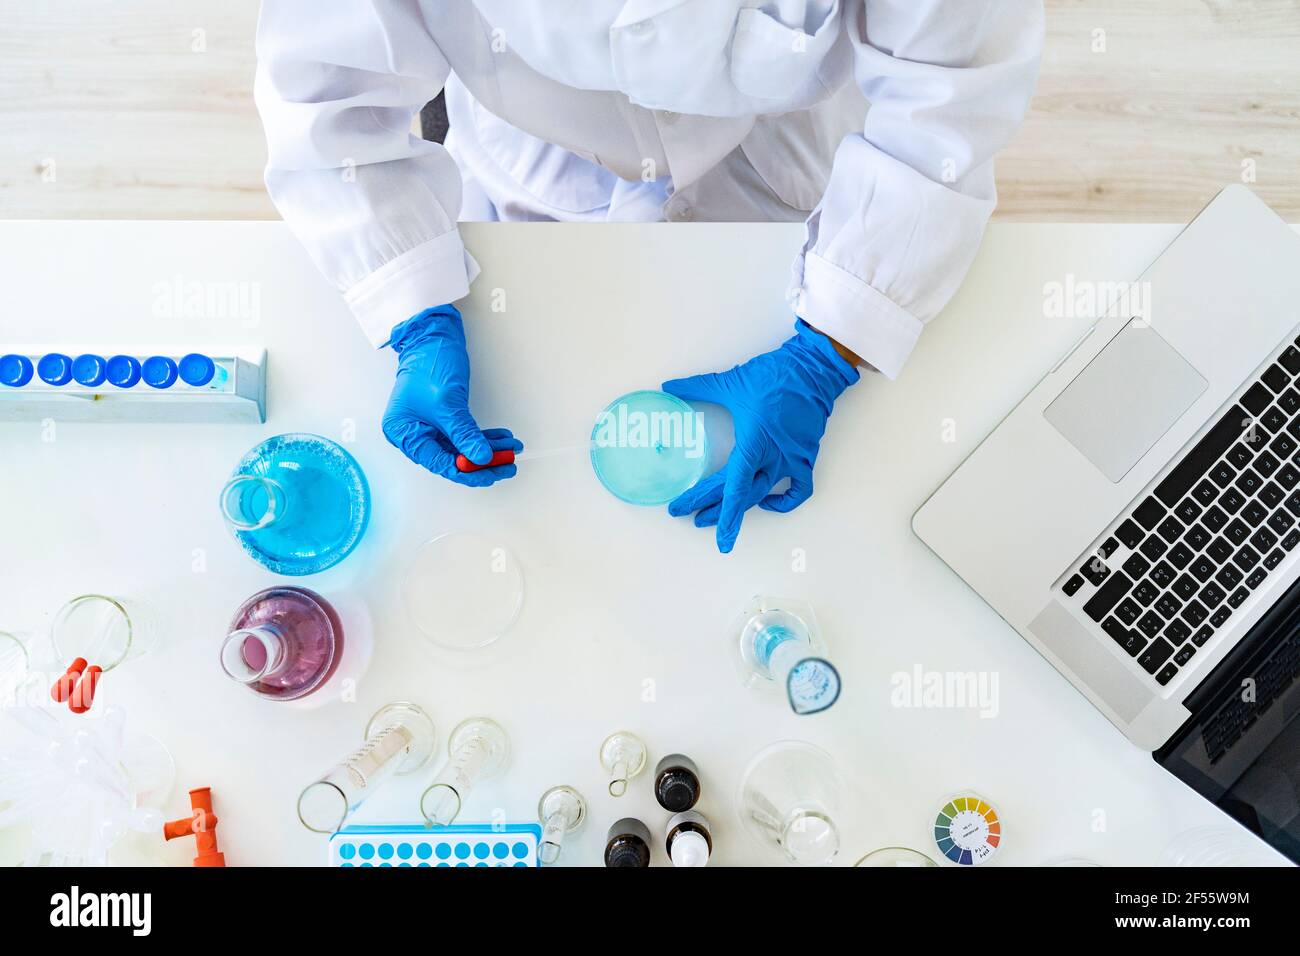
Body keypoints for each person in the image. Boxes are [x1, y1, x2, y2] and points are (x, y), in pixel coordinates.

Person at [254, 0, 1043, 552]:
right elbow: (328, 92)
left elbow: (949, 101)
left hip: (780, 167)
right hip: (532, 171)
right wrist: (410, 304)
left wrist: (836, 343)